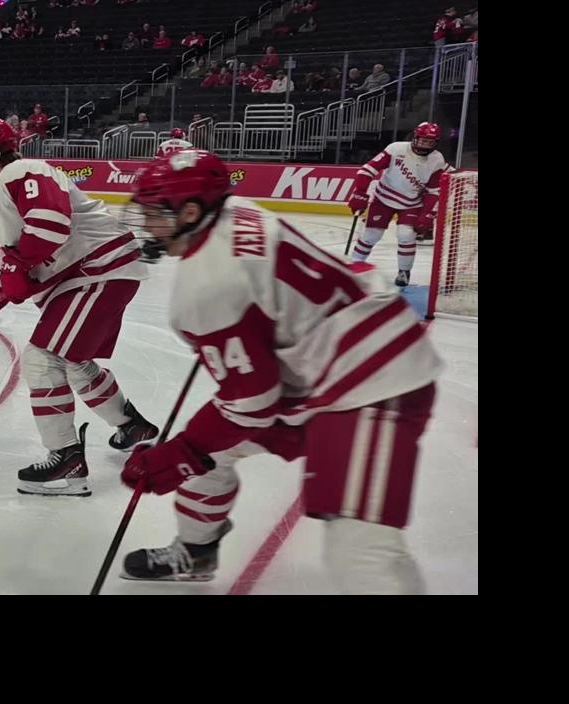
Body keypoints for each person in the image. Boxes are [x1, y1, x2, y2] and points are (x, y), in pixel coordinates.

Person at [117, 150, 442, 592]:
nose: (148, 224)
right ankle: (195, 552)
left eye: (155, 213)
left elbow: (250, 404)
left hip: (372, 373)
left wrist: (179, 453)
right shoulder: (236, 209)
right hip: (327, 359)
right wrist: (193, 449)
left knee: (359, 543)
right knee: (211, 455)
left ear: (191, 212)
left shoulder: (205, 289)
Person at [0, 116, 163, 496]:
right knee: (72, 361)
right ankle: (133, 428)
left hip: (96, 270)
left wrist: (17, 264)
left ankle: (66, 460)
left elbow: (49, 225)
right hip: (91, 275)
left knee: (43, 359)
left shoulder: (23, 171)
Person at [346, 123, 446, 288]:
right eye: (423, 140)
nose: (425, 145)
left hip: (412, 203)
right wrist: (360, 193)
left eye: (430, 142)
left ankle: (404, 272)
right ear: (415, 137)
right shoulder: (396, 149)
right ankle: (354, 266)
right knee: (371, 235)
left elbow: (433, 190)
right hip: (383, 198)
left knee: (406, 235)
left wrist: (427, 213)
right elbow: (367, 170)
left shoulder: (437, 159)